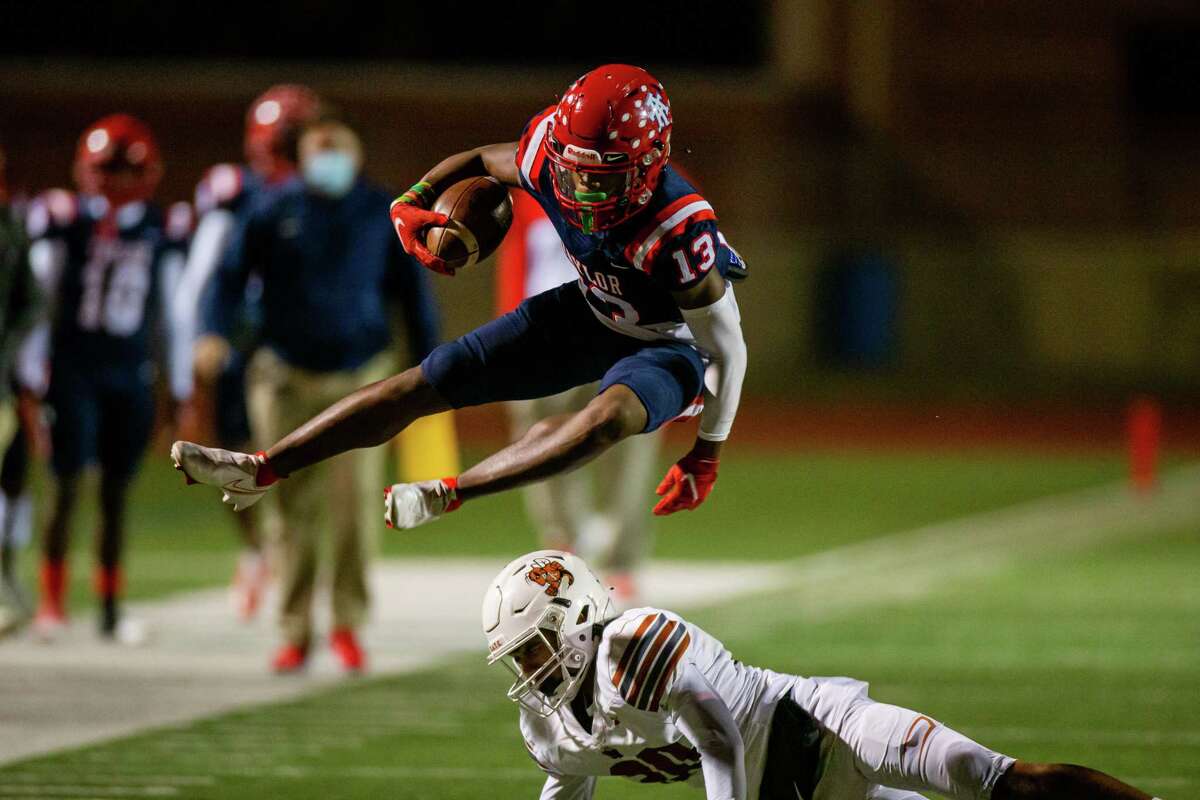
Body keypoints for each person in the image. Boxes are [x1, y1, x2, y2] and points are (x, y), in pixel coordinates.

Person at [172, 64, 748, 534]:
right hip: (594, 310)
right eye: (573, 172)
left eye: (602, 177)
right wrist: (414, 198)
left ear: (651, 163)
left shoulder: (676, 232)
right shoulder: (553, 154)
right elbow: (481, 160)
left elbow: (729, 349)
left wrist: (706, 455)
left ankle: (450, 493)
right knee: (435, 376)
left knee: (607, 418)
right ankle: (263, 469)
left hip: (673, 344)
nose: (580, 189)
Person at [482, 550, 1162, 800]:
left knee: (977, 772)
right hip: (784, 791)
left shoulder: (634, 642)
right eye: (522, 658)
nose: (532, 670)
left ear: (576, 619)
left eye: (536, 647)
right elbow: (565, 785)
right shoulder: (544, 728)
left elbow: (718, 740)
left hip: (816, 723)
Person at [192, 113, 440, 673]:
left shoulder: (382, 212)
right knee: (286, 507)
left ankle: (348, 625)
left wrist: (432, 365)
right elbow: (228, 279)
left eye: (337, 147)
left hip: (360, 379)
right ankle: (294, 628)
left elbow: (412, 293)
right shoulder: (272, 209)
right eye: (318, 148)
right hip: (286, 376)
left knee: (354, 509)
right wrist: (212, 332)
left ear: (355, 154)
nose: (327, 158)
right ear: (302, 157)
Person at [25, 114, 186, 642]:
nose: (115, 180)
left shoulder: (160, 226)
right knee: (66, 484)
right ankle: (51, 604)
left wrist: (175, 384)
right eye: (107, 168)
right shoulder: (63, 219)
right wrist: (32, 373)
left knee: (116, 493)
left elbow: (169, 313)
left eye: (124, 169)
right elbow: (39, 302)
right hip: (73, 370)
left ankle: (110, 609)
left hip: (128, 371)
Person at [174, 84, 321, 621]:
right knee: (236, 457)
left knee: (291, 458)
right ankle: (260, 552)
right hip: (241, 340)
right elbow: (206, 274)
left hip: (294, 343)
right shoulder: (237, 194)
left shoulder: (322, 194)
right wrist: (199, 341)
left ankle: (284, 556)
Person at [496, 190, 660, 602]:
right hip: (546, 335)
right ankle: (564, 545)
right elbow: (517, 261)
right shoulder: (532, 188)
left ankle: (620, 560)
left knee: (628, 443)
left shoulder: (652, 182)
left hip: (623, 333)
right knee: (540, 442)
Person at [0, 141, 42, 636]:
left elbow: (32, 301)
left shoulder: (10, 228)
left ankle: (7, 575)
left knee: (14, 478)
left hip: (3, 378)